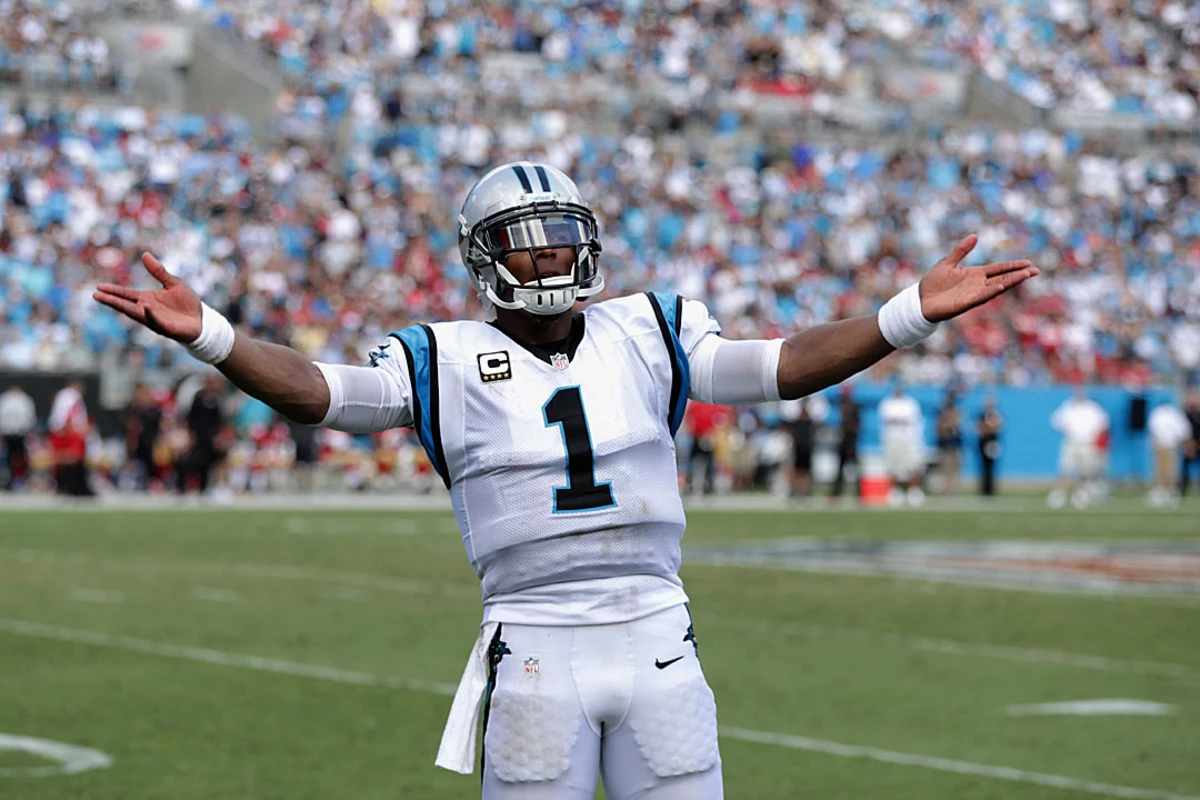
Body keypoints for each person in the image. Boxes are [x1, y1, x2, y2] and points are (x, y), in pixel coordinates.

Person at [94, 161, 1037, 799]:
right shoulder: (439, 357)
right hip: (537, 645)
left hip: (659, 636)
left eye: (559, 235)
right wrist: (214, 338)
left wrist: (906, 313)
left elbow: (781, 365)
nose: (547, 254)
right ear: (482, 256)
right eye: (525, 238)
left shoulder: (652, 329)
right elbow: (319, 394)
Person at [1048, 386, 1110, 509]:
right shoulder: (1068, 406)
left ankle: (1080, 495)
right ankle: (1059, 494)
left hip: (1087, 442)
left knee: (1085, 471)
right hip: (1071, 442)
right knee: (1066, 469)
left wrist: (1095, 437)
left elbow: (1104, 423)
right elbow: (1056, 422)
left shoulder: (1093, 407)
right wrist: (1068, 431)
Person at [177, 374, 226, 495]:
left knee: (209, 463)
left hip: (211, 438)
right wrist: (191, 435)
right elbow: (192, 418)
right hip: (199, 436)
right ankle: (182, 487)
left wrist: (218, 436)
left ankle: (205, 488)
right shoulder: (199, 398)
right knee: (190, 462)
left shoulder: (216, 399)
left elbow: (219, 420)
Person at [878, 383, 926, 506]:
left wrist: (898, 421)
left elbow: (911, 420)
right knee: (894, 467)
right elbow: (888, 419)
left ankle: (914, 491)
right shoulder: (887, 403)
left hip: (909, 440)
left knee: (912, 466)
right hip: (893, 439)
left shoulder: (911, 403)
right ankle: (895, 491)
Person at [48, 379, 95, 497]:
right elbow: (69, 415)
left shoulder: (64, 396)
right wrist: (75, 429)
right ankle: (73, 486)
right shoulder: (70, 396)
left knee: (68, 460)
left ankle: (69, 486)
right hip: (69, 433)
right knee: (72, 459)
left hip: (64, 431)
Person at [780, 394, 828, 499]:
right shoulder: (792, 401)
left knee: (806, 466)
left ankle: (804, 490)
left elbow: (819, 417)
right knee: (794, 464)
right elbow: (788, 416)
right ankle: (794, 489)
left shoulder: (817, 400)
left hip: (808, 434)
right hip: (796, 434)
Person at [1146, 397, 1191, 507]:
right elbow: (1183, 429)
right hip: (1164, 445)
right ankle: (1163, 491)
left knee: (1169, 469)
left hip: (1167, 444)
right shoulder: (1171, 413)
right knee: (1162, 469)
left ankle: (1171, 492)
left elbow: (1182, 429)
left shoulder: (1163, 414)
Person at [125, 383, 163, 491]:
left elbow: (158, 423)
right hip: (136, 441)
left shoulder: (153, 408)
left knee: (151, 462)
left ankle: (152, 483)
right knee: (136, 463)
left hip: (150, 440)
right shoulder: (133, 408)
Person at [0, 383, 37, 491]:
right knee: (12, 458)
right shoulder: (7, 399)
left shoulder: (10, 399)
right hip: (13, 432)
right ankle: (12, 480)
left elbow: (29, 418)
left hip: (18, 433)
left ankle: (19, 480)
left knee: (20, 458)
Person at [829, 385, 862, 503]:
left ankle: (859, 494)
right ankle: (836, 493)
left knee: (855, 469)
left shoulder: (854, 406)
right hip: (844, 439)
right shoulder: (842, 404)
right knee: (839, 469)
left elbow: (857, 424)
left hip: (851, 439)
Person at [934, 390, 963, 496]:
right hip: (945, 445)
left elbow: (959, 428)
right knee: (945, 469)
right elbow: (940, 428)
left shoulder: (957, 413)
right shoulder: (942, 414)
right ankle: (945, 491)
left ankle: (952, 490)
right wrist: (950, 422)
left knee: (954, 469)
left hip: (955, 445)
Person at [977, 396, 1003, 497]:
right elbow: (981, 428)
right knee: (983, 466)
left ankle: (991, 490)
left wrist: (989, 428)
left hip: (992, 442)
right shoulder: (982, 415)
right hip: (984, 441)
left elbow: (996, 428)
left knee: (991, 466)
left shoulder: (996, 414)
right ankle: (984, 490)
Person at [1181, 390, 1200, 497]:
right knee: (1185, 468)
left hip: (1198, 445)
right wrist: (1188, 444)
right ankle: (1183, 490)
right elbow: (1183, 430)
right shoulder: (1185, 415)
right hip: (1189, 445)